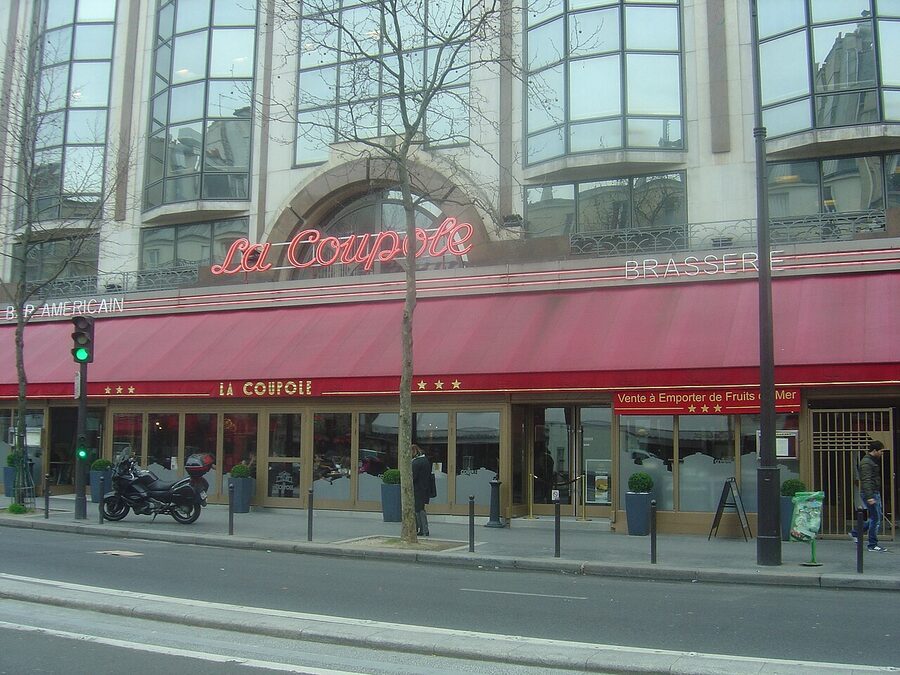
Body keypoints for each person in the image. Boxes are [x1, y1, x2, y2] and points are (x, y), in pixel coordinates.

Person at [850, 440, 888, 552]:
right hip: (871, 493)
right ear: (875, 450)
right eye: (881, 451)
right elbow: (866, 480)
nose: (882, 453)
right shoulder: (867, 463)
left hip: (873, 492)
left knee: (875, 517)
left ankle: (856, 532)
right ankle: (872, 544)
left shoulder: (870, 461)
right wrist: (870, 496)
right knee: (875, 518)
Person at [411, 444, 432, 536]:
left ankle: (422, 529)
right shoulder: (425, 460)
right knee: (420, 508)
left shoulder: (416, 463)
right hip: (424, 488)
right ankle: (423, 529)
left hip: (417, 488)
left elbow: (413, 477)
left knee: (418, 509)